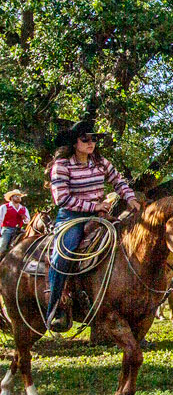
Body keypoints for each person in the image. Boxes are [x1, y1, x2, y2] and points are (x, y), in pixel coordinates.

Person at [46, 120, 141, 331]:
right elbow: (61, 198)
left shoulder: (100, 162)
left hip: (100, 215)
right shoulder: (61, 166)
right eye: (85, 139)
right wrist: (93, 205)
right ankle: (56, 306)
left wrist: (130, 198)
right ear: (74, 142)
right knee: (64, 254)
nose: (91, 143)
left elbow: (118, 181)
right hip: (72, 217)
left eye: (94, 139)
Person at [0, 189, 31, 255]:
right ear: (11, 197)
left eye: (19, 196)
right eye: (16, 196)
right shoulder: (4, 207)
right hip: (7, 229)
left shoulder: (24, 208)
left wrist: (25, 218)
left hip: (19, 229)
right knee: (3, 246)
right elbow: (0, 220)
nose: (18, 197)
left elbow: (28, 221)